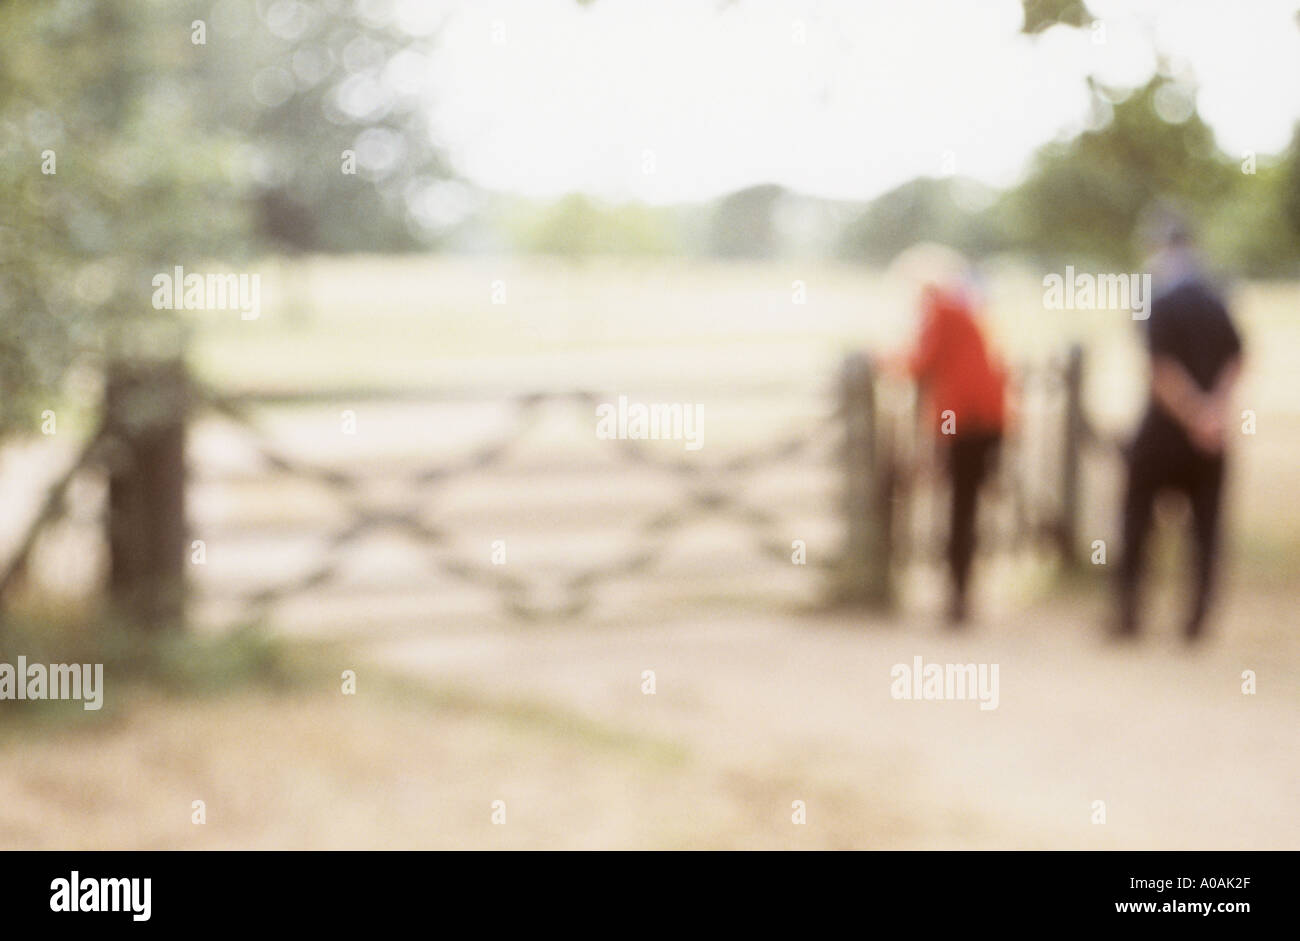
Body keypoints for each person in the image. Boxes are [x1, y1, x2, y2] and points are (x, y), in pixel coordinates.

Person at [1117, 222, 1243, 642]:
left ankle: (1129, 612)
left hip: (1163, 431)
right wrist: (1213, 412)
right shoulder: (1216, 297)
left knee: (1137, 520)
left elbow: (1160, 368)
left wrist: (1194, 414)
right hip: (1210, 434)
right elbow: (1236, 357)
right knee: (1206, 530)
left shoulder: (1156, 298)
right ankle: (1197, 619)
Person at [890, 247, 1008, 624]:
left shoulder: (941, 310)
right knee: (967, 503)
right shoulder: (966, 308)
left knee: (960, 506)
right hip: (984, 418)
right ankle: (961, 592)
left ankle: (958, 597)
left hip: (961, 420)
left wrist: (881, 361)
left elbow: (921, 361)